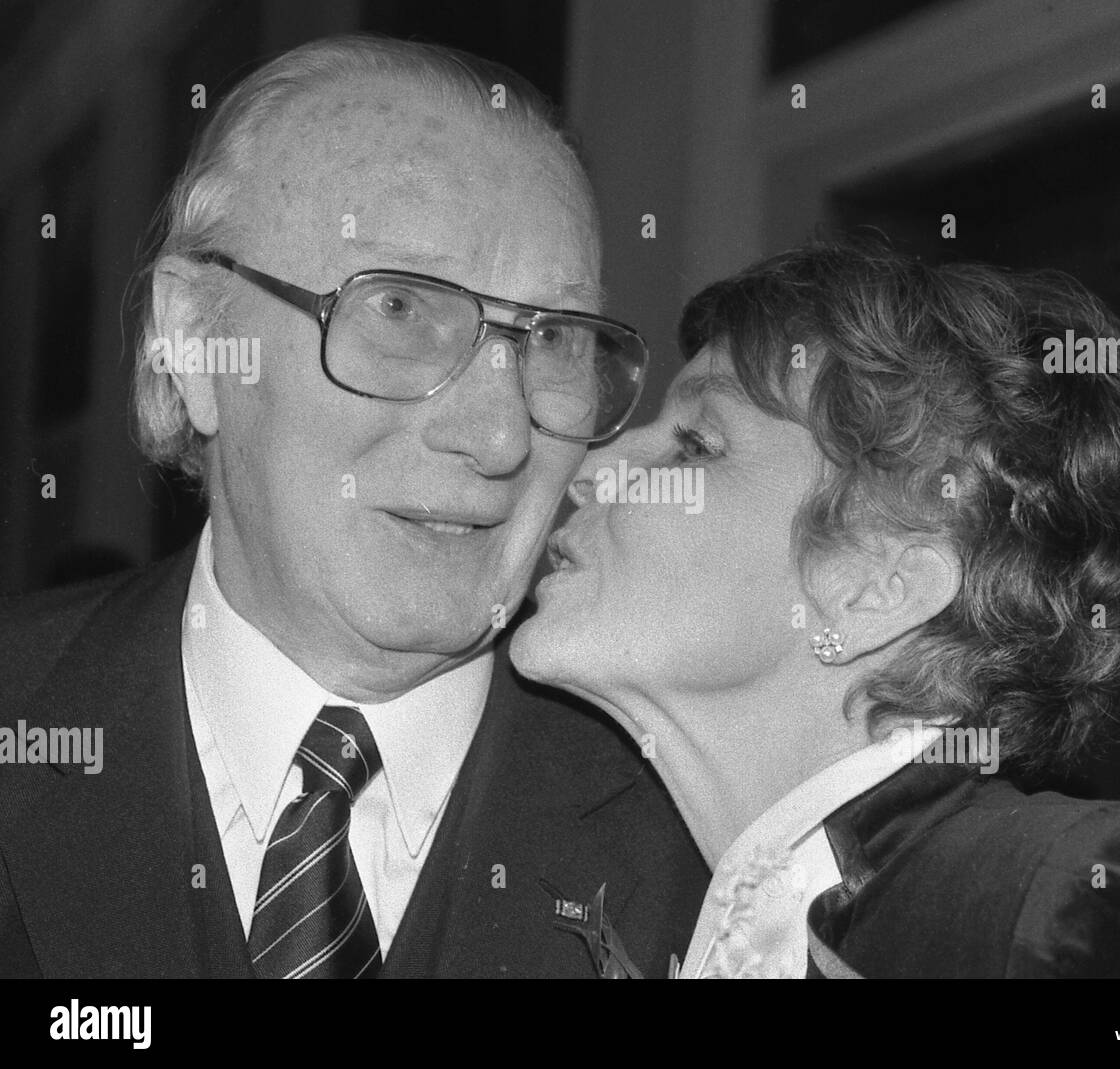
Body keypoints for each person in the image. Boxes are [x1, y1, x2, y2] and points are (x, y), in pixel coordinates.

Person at [0, 34, 707, 979]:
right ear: (199, 341)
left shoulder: (703, 821)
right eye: (402, 311)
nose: (501, 438)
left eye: (554, 338)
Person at [511, 236, 1120, 978]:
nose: (594, 467)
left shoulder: (1066, 899)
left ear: (874, 590)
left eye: (696, 445)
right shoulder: (688, 900)